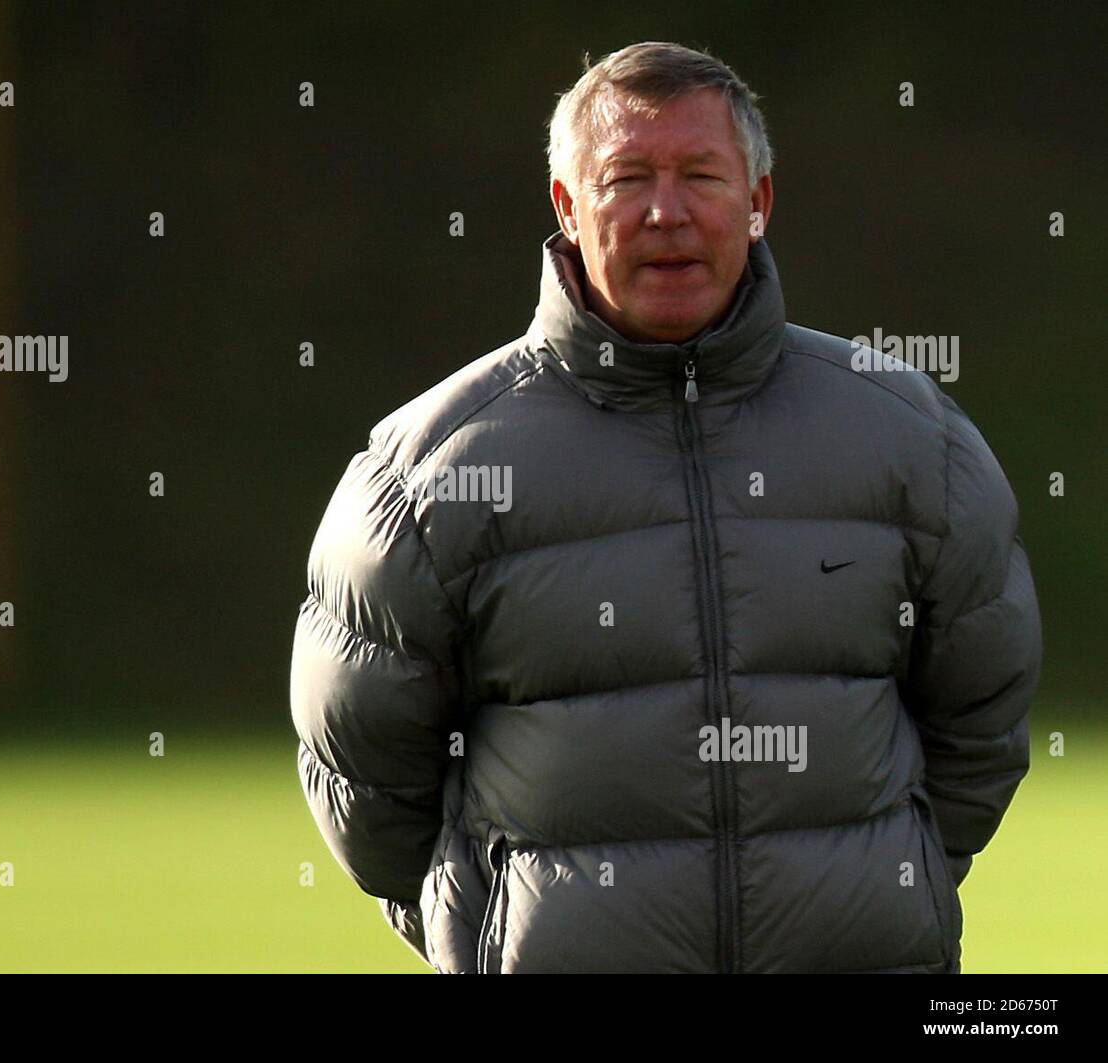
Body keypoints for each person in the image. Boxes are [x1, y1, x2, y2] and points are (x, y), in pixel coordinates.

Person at [289, 40, 1042, 973]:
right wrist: (488, 929)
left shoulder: (909, 436)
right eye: (626, 176)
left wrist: (897, 875)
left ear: (759, 203)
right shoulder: (428, 473)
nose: (665, 211)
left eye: (701, 175)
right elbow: (363, 772)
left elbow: (983, 719)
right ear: (567, 206)